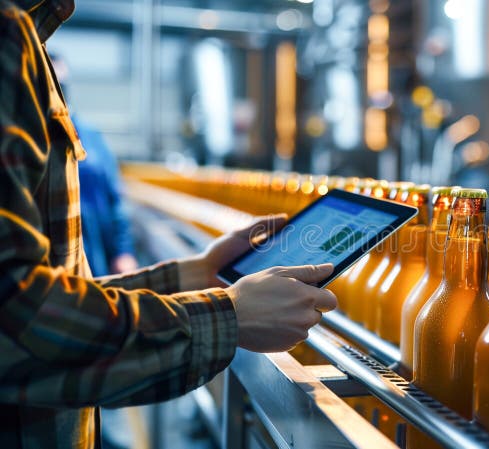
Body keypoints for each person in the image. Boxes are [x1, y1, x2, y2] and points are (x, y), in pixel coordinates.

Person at [0, 1, 337, 448]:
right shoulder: (7, 36)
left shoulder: (26, 37)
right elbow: (16, 319)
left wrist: (194, 276)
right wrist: (228, 316)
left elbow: (44, 292)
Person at [49, 53, 139, 277]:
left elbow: (114, 198)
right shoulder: (27, 141)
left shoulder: (90, 137)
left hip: (95, 259)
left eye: (61, 84)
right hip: (52, 268)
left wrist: (123, 252)